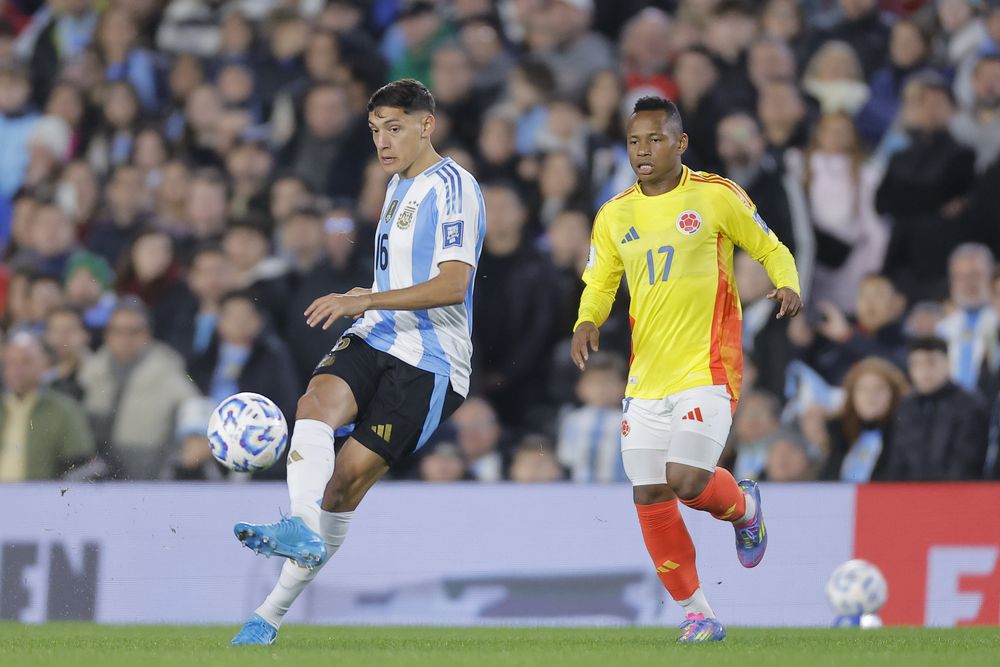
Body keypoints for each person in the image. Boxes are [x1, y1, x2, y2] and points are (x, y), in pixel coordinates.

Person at [231, 79, 485, 645]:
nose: (382, 142)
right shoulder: (395, 185)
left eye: (394, 128)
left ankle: (268, 615)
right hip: (379, 332)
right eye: (374, 131)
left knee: (343, 487)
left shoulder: (455, 188)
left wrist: (366, 299)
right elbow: (404, 273)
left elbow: (452, 285)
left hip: (432, 361)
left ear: (427, 125)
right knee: (314, 402)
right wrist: (369, 297)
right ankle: (298, 525)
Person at [571, 96, 801, 643]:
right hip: (645, 378)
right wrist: (586, 320)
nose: (643, 151)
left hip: (707, 367)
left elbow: (770, 248)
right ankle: (698, 613)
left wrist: (788, 282)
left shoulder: (716, 196)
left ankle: (744, 508)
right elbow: (600, 282)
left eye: (654, 139)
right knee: (649, 494)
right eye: (634, 141)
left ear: (681, 143)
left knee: (687, 480)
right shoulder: (614, 214)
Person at [885, 336, 989, 481]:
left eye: (931, 363)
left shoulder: (970, 405)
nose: (924, 371)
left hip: (956, 491)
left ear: (948, 363)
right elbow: (897, 460)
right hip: (909, 492)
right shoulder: (906, 406)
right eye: (916, 364)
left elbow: (967, 462)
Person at [0, 331, 97, 481]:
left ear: (43, 365)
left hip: (42, 492)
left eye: (26, 361)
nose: (17, 370)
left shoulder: (63, 409)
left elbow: (83, 463)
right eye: (11, 363)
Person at [819, 357, 909, 482]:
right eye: (863, 389)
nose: (871, 396)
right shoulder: (838, 436)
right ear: (852, 396)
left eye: (879, 388)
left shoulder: (907, 436)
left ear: (893, 394)